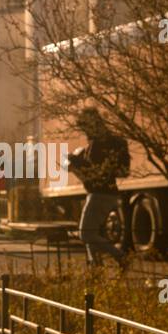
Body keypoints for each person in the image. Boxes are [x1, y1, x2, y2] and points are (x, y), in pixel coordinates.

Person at [67, 107, 129, 266]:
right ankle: (96, 267)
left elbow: (92, 173)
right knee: (92, 233)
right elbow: (122, 171)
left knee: (85, 234)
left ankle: (120, 256)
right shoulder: (115, 142)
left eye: (84, 127)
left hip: (99, 194)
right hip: (109, 193)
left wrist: (76, 162)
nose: (84, 132)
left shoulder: (96, 144)